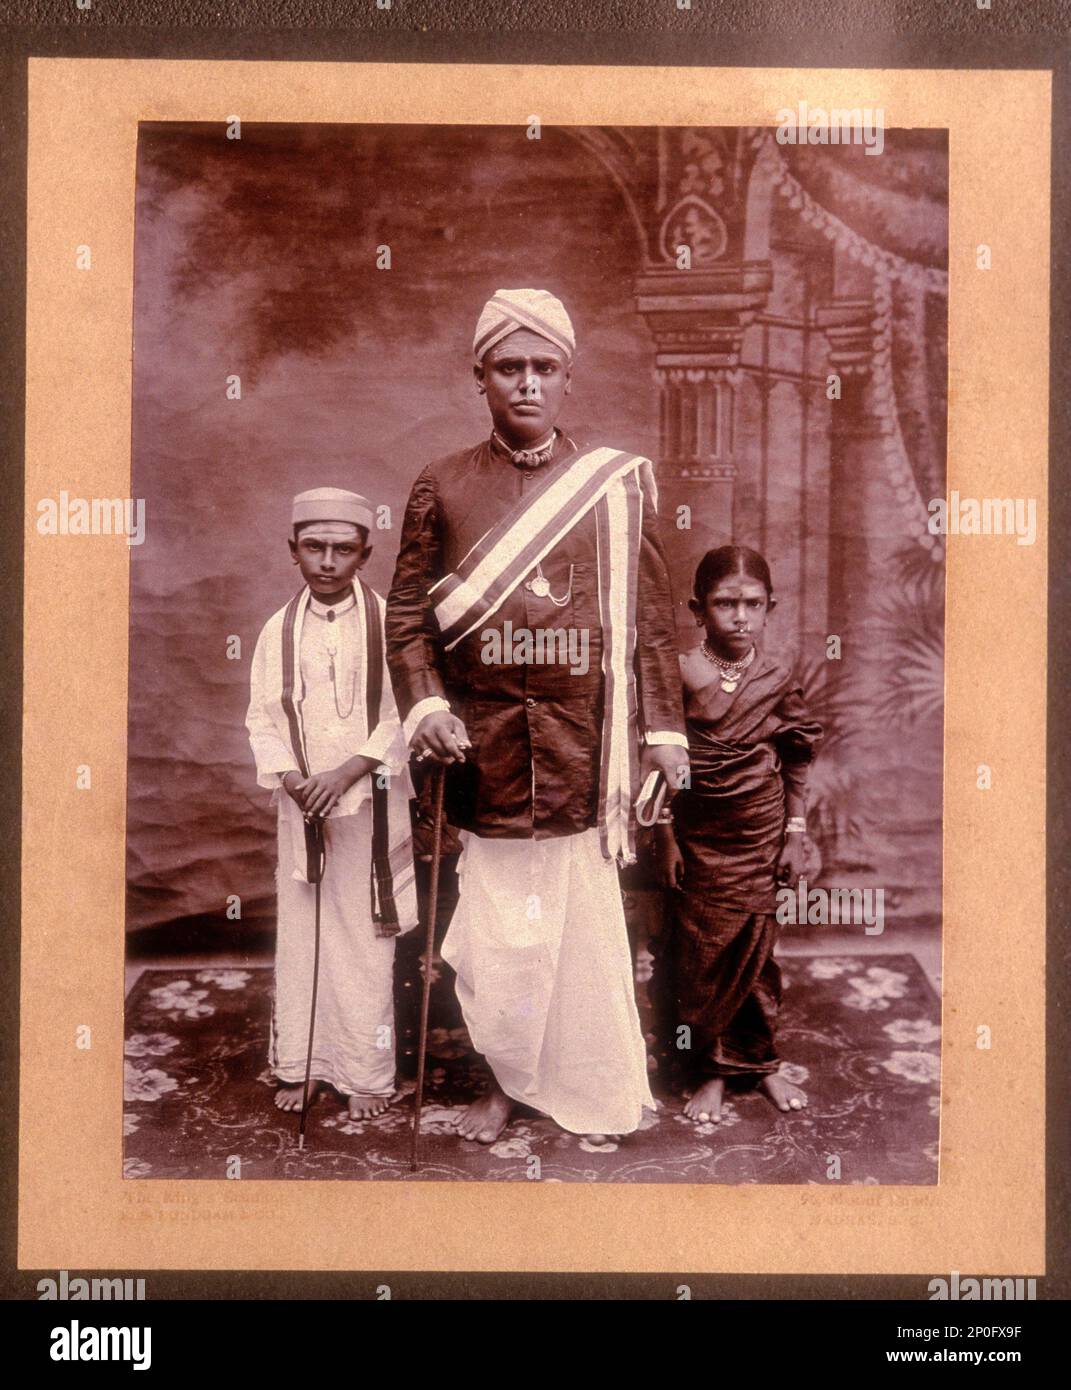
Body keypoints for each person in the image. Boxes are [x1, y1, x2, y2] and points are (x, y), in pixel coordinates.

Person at [385, 288, 688, 1144]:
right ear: (478, 377)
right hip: (480, 750)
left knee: (582, 933)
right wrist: (428, 708)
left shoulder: (616, 488)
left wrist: (663, 734)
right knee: (495, 942)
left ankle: (582, 1079)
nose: (526, 383)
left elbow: (652, 624)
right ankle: (504, 1081)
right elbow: (406, 618)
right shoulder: (439, 483)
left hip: (584, 752)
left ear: (567, 381)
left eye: (543, 368)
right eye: (508, 367)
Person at [246, 487, 417, 1121]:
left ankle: (366, 1073)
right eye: (314, 547)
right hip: (302, 806)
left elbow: (403, 714)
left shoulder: (389, 625)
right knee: (305, 928)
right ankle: (305, 1066)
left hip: (370, 801)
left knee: (365, 934)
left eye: (342, 549)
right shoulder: (276, 630)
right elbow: (262, 718)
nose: (327, 561)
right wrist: (295, 781)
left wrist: (346, 773)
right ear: (292, 550)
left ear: (364, 553)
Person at [652, 545, 822, 1123]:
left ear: (770, 607)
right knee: (699, 959)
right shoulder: (677, 671)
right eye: (726, 604)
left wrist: (795, 831)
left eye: (753, 604)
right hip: (699, 832)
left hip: (760, 830)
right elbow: (658, 761)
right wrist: (666, 838)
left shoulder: (779, 674)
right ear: (699, 610)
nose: (741, 616)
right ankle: (708, 1071)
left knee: (757, 955)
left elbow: (797, 754)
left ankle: (760, 1065)